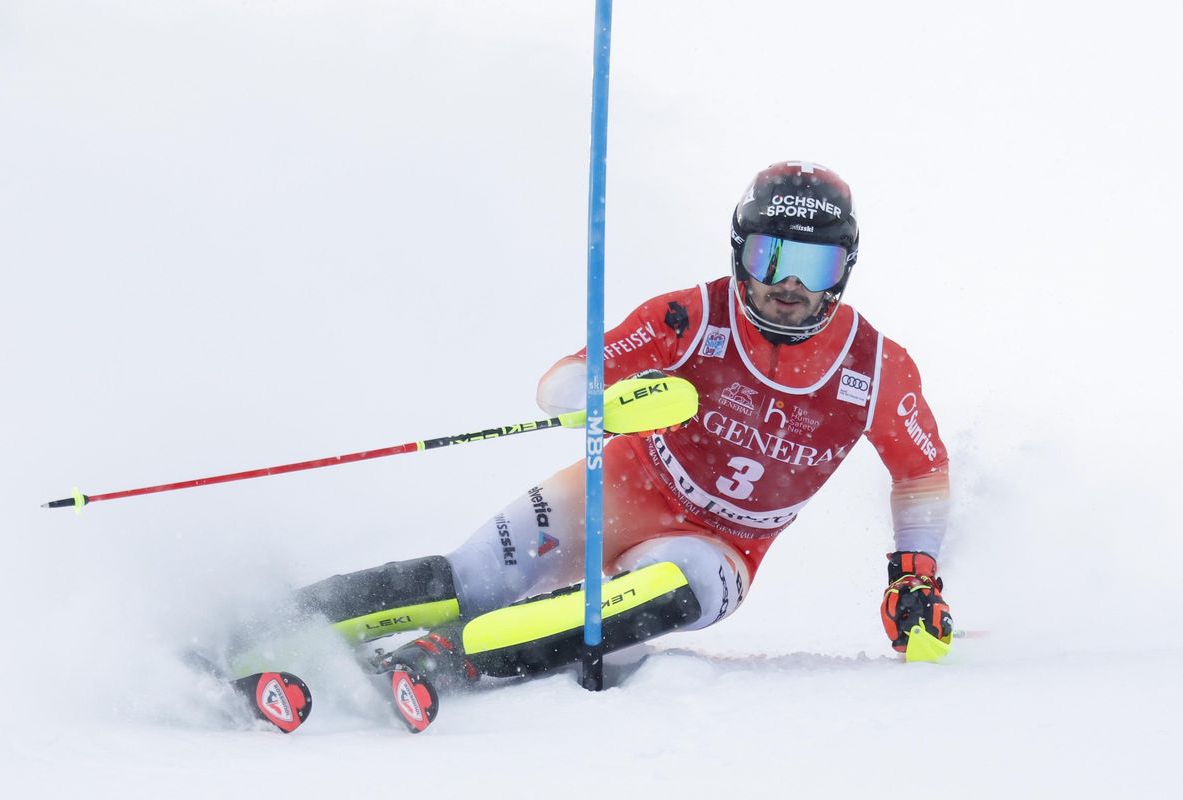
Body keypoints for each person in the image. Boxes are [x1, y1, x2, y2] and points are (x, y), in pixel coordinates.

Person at [290, 161, 952, 731]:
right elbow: (561, 381)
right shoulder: (693, 317)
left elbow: (923, 470)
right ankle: (285, 620)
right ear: (739, 253)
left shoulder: (876, 369)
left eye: (815, 265)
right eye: (770, 257)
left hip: (720, 547)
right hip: (625, 489)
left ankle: (445, 656)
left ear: (846, 268)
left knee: (666, 588)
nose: (791, 286)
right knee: (477, 577)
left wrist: (915, 574)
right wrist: (602, 401)